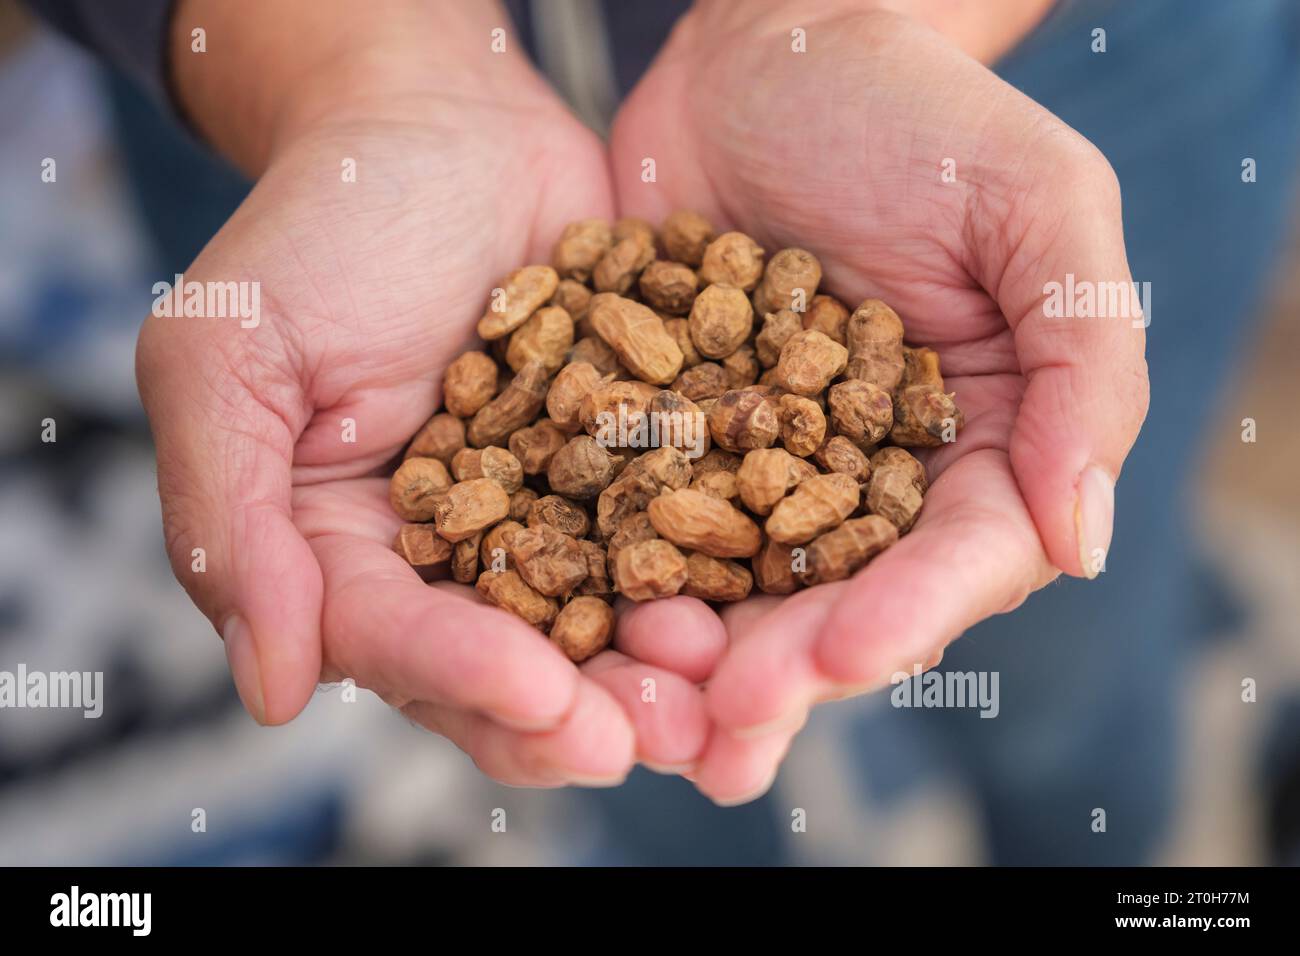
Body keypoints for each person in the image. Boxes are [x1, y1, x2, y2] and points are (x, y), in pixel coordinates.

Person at [26, 0, 1300, 864]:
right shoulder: (575, 429)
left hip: (1039, 43)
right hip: (289, 60)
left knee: (1067, 643)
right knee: (615, 735)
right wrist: (350, 66)